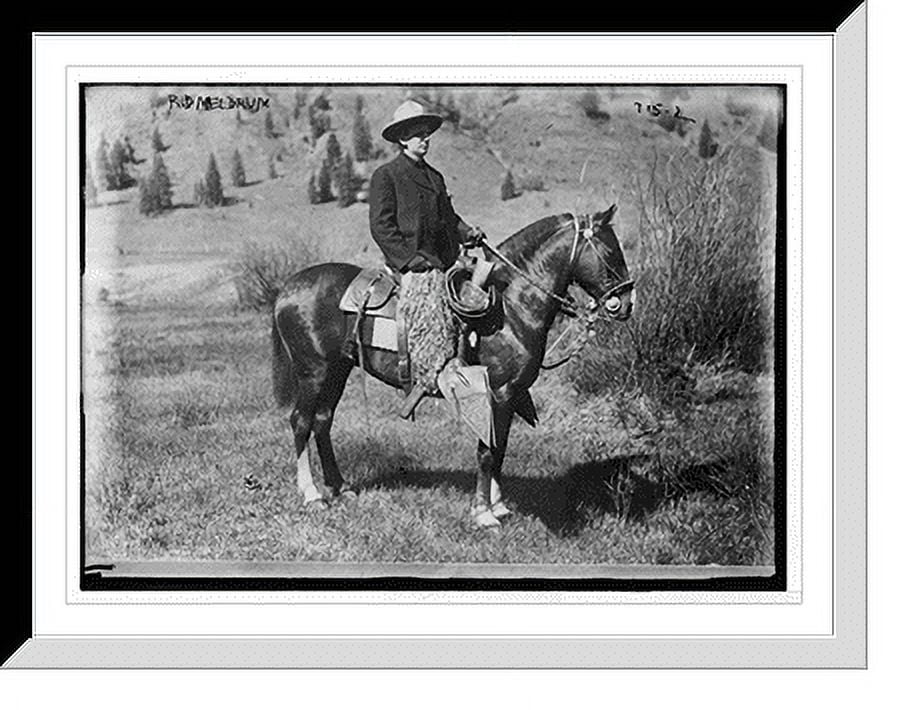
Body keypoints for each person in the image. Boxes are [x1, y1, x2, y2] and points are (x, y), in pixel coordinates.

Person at [368, 100, 486, 402]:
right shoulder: (387, 175)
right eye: (417, 134)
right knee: (427, 313)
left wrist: (468, 232)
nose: (425, 139)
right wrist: (410, 261)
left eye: (426, 133)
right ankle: (429, 373)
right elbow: (381, 226)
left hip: (441, 263)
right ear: (402, 139)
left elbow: (450, 219)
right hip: (412, 266)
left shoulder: (435, 178)